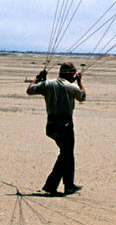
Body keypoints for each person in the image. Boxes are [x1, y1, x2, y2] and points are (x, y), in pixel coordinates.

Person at [26, 62, 86, 195]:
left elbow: (30, 90)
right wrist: (80, 82)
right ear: (70, 73)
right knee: (66, 155)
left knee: (67, 154)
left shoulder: (48, 84)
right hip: (65, 126)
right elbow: (83, 97)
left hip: (51, 125)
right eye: (74, 73)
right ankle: (52, 185)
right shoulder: (72, 87)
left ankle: (68, 185)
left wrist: (38, 78)